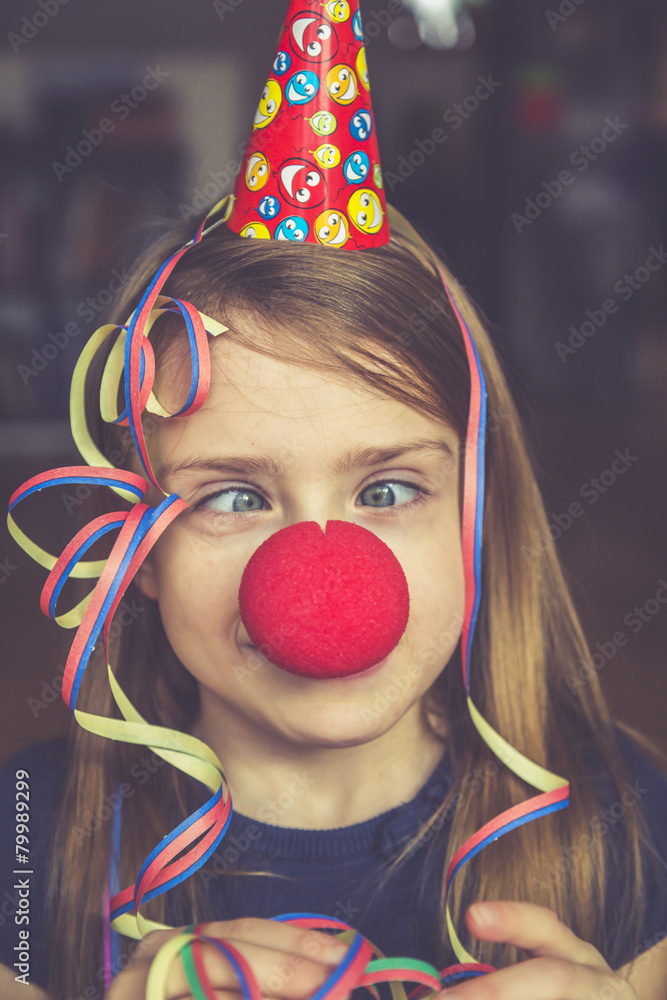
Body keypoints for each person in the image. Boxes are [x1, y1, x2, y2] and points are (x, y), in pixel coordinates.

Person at [2, 201, 667, 1000]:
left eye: (387, 488)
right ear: (134, 550)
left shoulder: (622, 817)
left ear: (474, 516)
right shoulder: (29, 832)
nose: (320, 585)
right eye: (233, 497)